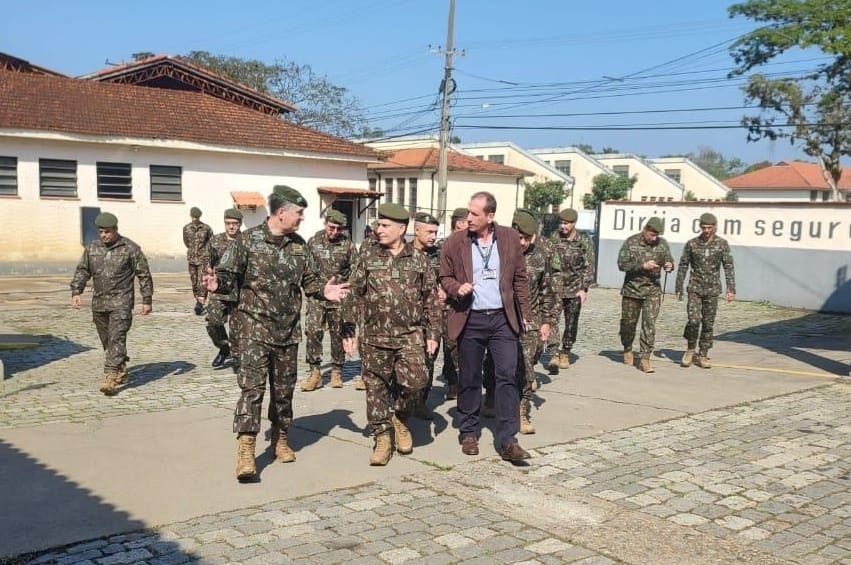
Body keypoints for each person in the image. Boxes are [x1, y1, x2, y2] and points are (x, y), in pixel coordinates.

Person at [204, 186, 349, 481]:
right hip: (252, 330)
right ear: (282, 212)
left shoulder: (299, 246)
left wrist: (323, 290)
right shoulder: (247, 241)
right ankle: (246, 450)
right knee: (252, 389)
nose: (302, 218)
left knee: (283, 391)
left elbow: (310, 280)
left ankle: (280, 439)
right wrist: (218, 285)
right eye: (299, 213)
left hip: (287, 333)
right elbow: (228, 276)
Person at [342, 203, 440, 466]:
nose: (379, 229)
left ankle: (400, 417)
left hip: (410, 336)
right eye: (378, 224)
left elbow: (431, 299)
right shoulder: (368, 256)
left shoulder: (419, 259)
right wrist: (348, 328)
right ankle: (382, 438)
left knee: (417, 383)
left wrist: (433, 332)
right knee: (376, 389)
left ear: (401, 229)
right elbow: (354, 293)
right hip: (375, 337)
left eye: (385, 225)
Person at [439, 191, 532, 462]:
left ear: (490, 216)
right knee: (469, 377)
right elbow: (444, 276)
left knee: (506, 376)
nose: (468, 218)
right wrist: (456, 288)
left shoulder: (510, 238)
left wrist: (525, 313)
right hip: (471, 318)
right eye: (468, 212)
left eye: (474, 214)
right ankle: (469, 431)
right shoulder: (454, 242)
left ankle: (508, 439)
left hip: (502, 319)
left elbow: (520, 279)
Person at [70, 212, 153, 396]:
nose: (104, 235)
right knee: (108, 341)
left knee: (116, 337)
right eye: (101, 232)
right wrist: (77, 291)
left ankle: (110, 377)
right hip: (99, 303)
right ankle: (120, 367)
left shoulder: (130, 248)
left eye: (107, 232)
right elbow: (83, 270)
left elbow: (144, 275)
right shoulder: (92, 248)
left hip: (121, 302)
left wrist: (146, 299)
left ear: (116, 230)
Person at [511, 208, 560, 434]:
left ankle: (521, 411)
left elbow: (547, 291)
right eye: (519, 237)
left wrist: (547, 321)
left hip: (529, 321)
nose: (522, 243)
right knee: (495, 366)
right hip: (500, 320)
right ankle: (493, 400)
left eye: (527, 238)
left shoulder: (539, 256)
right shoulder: (499, 253)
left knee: (526, 366)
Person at [302, 209, 357, 391]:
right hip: (318, 295)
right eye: (331, 227)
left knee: (337, 333)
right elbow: (306, 268)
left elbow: (355, 270)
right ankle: (315, 373)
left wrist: (349, 291)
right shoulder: (313, 242)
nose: (334, 232)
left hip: (338, 296)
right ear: (325, 224)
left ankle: (336, 370)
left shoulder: (347, 245)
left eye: (338, 229)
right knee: (313, 331)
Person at [675, 212, 736, 369]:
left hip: (712, 289)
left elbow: (728, 266)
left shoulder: (722, 244)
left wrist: (731, 289)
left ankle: (703, 353)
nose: (706, 230)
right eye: (704, 227)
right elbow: (683, 264)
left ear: (715, 227)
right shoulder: (692, 244)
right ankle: (690, 349)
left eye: (709, 227)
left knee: (708, 323)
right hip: (695, 287)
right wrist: (679, 286)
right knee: (693, 320)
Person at [617, 217, 674, 373]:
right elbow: (622, 264)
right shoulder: (631, 242)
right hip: (632, 290)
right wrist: (642, 265)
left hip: (652, 290)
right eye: (652, 234)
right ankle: (627, 348)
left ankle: (645, 358)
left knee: (649, 324)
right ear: (645, 230)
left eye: (657, 235)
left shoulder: (662, 244)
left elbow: (669, 260)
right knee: (628, 324)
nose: (654, 238)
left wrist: (669, 265)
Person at [548, 208, 594, 373]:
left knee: (571, 323)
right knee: (552, 319)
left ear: (574, 223)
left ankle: (565, 352)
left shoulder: (583, 240)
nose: (563, 226)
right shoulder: (554, 237)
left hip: (574, 288)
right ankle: (553, 352)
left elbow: (589, 266)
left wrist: (584, 288)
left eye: (566, 223)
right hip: (555, 287)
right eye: (561, 223)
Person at [410, 211, 445, 419]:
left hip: (432, 316)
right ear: (416, 230)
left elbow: (449, 278)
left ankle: (421, 401)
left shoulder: (439, 255)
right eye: (429, 232)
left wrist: (447, 290)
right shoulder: (405, 253)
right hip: (409, 318)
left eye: (435, 232)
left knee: (429, 359)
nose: (433, 236)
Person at [206, 208, 243, 369]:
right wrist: (202, 292)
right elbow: (208, 265)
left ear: (240, 224)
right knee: (213, 322)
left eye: (235, 223)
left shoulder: (245, 241)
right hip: (219, 289)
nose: (231, 227)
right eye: (228, 223)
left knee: (237, 329)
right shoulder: (215, 241)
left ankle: (237, 358)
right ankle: (223, 348)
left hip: (239, 291)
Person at [440, 207, 471, 400]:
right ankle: (453, 383)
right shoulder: (445, 246)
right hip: (446, 305)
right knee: (450, 345)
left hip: (465, 303)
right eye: (469, 221)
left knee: (464, 346)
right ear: (459, 223)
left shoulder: (470, 245)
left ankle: (463, 381)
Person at [183, 207, 213, 315]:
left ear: (200, 217)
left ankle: (200, 303)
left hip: (203, 259)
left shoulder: (206, 228)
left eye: (197, 217)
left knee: (202, 281)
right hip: (192, 259)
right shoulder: (186, 228)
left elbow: (211, 242)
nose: (195, 219)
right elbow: (186, 242)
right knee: (194, 282)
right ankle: (198, 300)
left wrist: (207, 255)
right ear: (191, 216)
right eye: (193, 217)